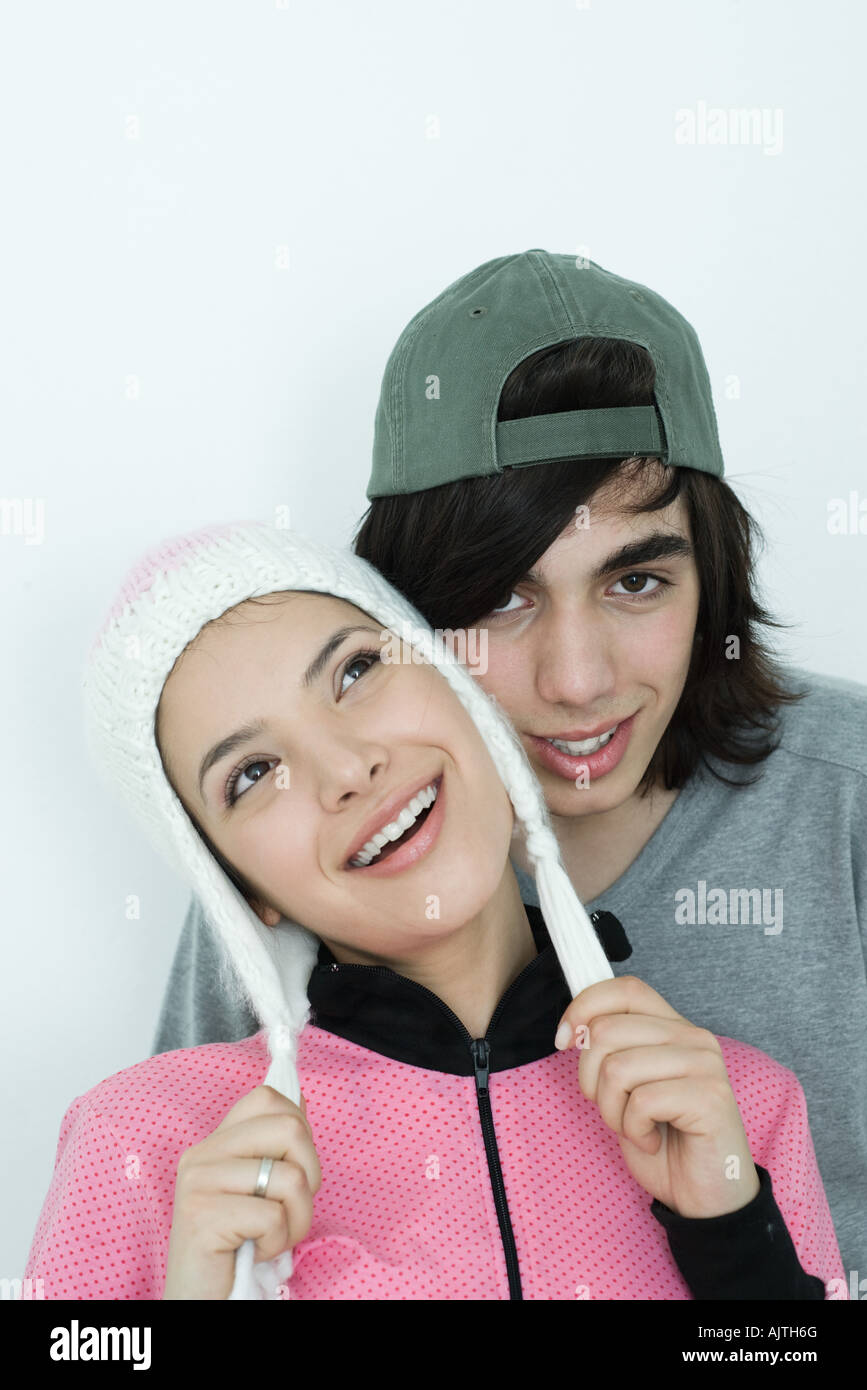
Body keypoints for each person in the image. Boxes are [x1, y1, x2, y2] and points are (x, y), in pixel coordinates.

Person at [153, 250, 867, 1286]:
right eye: (500, 598)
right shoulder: (308, 851)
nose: (578, 680)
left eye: (636, 580)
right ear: (400, 616)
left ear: (714, 575)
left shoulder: (848, 804)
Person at [25, 521, 845, 1300]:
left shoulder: (732, 1104)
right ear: (243, 892)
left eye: (354, 672)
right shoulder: (143, 1144)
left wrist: (736, 1238)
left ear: (463, 694)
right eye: (249, 772)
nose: (347, 768)